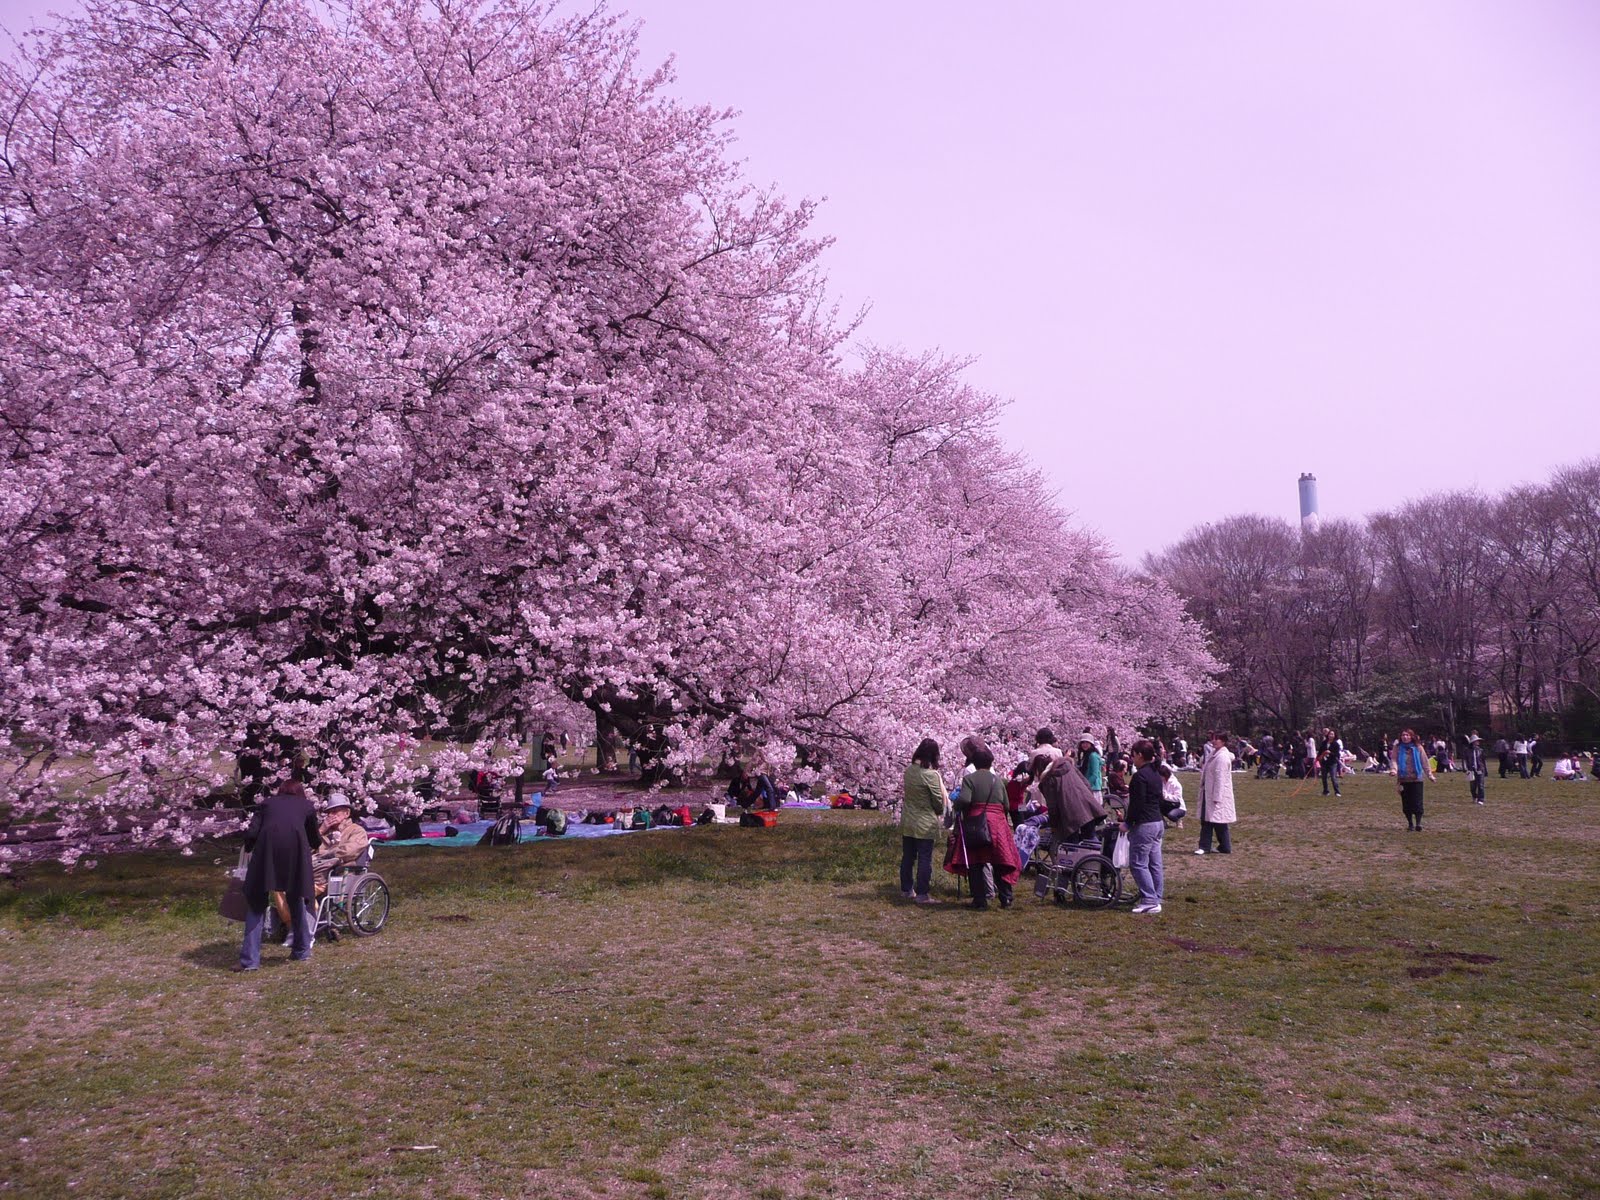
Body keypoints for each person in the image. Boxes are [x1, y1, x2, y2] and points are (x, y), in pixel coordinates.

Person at [237, 780, 322, 971]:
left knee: (256, 903)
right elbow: (314, 837)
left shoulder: (267, 804)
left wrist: (249, 848)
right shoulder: (306, 806)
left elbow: (251, 834)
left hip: (266, 857)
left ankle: (250, 961)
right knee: (296, 898)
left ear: (280, 791)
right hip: (295, 858)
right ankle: (301, 950)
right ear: (300, 792)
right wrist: (316, 845)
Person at [944, 740, 1022, 910]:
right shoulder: (999, 781)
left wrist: (956, 805)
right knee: (1000, 860)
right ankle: (1006, 898)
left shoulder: (969, 779)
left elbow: (964, 799)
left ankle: (980, 900)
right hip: (998, 823)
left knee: (976, 861)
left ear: (973, 762)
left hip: (976, 823)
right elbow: (1006, 805)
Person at [1122, 739, 1171, 914]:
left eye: (1133, 755)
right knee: (1154, 863)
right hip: (1157, 823)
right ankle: (1156, 897)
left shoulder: (1140, 776)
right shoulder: (1155, 774)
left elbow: (1137, 804)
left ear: (1140, 755)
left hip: (1145, 824)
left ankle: (1149, 900)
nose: (1132, 759)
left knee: (1138, 863)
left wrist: (1127, 823)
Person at [900, 739, 947, 905]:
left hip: (908, 820)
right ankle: (922, 894)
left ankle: (906, 889)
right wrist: (940, 811)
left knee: (908, 856)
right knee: (924, 858)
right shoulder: (931, 775)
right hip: (925, 822)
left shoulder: (909, 771)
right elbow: (938, 800)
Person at [312, 794, 371, 902]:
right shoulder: (324, 833)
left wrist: (328, 854)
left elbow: (350, 851)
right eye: (328, 813)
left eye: (334, 812)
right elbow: (306, 851)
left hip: (340, 872)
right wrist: (320, 831)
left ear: (347, 813)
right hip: (317, 870)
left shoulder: (356, 830)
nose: (330, 815)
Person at [1195, 731, 1237, 855]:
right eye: (1213, 739)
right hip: (1208, 792)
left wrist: (1217, 796)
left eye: (1217, 739)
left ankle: (1205, 846)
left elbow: (1220, 778)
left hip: (1216, 794)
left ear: (1223, 741)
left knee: (1213, 821)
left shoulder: (1222, 757)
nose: (1213, 741)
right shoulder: (1214, 754)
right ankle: (1224, 846)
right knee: (1215, 821)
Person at [1392, 728, 1435, 831]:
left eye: (1407, 735)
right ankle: (1410, 823)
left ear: (1411, 736)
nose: (1405, 737)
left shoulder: (1418, 747)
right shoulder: (1397, 748)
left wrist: (1430, 775)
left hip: (1417, 779)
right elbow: (1393, 759)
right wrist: (1393, 770)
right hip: (1403, 779)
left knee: (1417, 802)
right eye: (1403, 735)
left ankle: (1418, 823)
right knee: (1406, 803)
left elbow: (1425, 762)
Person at [1078, 736, 1105, 806]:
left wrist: (1086, 785)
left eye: (1087, 743)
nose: (1084, 744)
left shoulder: (1093, 756)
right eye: (1083, 743)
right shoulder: (1086, 755)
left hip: (1093, 788)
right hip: (1089, 787)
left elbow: (1094, 774)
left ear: (1091, 744)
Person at [1464, 732, 1487, 805]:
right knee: (1473, 786)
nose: (1478, 742)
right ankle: (1475, 796)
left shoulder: (1481, 750)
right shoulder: (1467, 751)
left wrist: (1485, 770)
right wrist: (1466, 768)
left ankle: (1481, 799)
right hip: (1471, 770)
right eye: (1477, 741)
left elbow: (1483, 761)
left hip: (1480, 769)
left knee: (1480, 784)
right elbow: (1465, 760)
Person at [1319, 728, 1343, 797]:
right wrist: (1319, 757)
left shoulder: (1336, 744)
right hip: (1324, 762)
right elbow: (1320, 751)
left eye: (1332, 734)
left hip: (1332, 763)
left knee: (1333, 777)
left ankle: (1337, 792)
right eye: (1330, 734)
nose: (1331, 735)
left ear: (1334, 735)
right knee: (1324, 777)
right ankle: (1326, 791)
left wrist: (1330, 752)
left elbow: (1337, 755)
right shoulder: (1324, 743)